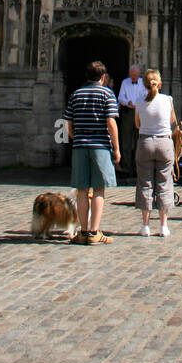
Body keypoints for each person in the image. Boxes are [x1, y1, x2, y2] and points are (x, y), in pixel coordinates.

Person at [63, 59, 120, 245]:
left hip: (80, 145)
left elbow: (67, 123)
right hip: (100, 146)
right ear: (103, 77)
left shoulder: (76, 94)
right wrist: (117, 148)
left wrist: (76, 137)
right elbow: (111, 122)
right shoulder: (107, 94)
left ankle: (83, 231)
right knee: (98, 189)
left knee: (81, 190)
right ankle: (94, 232)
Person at [134, 69, 177, 236]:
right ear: (159, 83)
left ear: (144, 84)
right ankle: (163, 226)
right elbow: (172, 121)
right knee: (164, 182)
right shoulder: (168, 99)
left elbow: (137, 124)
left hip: (145, 142)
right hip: (164, 142)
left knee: (145, 183)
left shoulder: (139, 100)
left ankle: (145, 226)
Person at [117, 64, 145, 176]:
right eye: (132, 75)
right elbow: (120, 97)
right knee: (126, 140)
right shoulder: (125, 82)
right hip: (128, 112)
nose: (133, 77)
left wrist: (139, 104)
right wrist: (127, 102)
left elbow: (147, 96)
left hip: (140, 112)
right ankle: (127, 167)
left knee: (139, 140)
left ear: (139, 75)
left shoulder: (143, 83)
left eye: (135, 76)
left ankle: (138, 167)